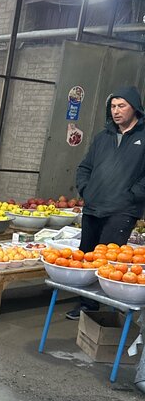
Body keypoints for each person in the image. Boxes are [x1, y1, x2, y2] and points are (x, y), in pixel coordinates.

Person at [67, 86, 145, 319]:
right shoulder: (103, 137)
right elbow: (84, 167)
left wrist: (131, 195)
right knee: (87, 255)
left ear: (135, 108)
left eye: (122, 106)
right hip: (94, 207)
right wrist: (86, 190)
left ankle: (105, 305)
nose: (116, 111)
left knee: (109, 260)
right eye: (113, 106)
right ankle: (86, 305)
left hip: (122, 210)